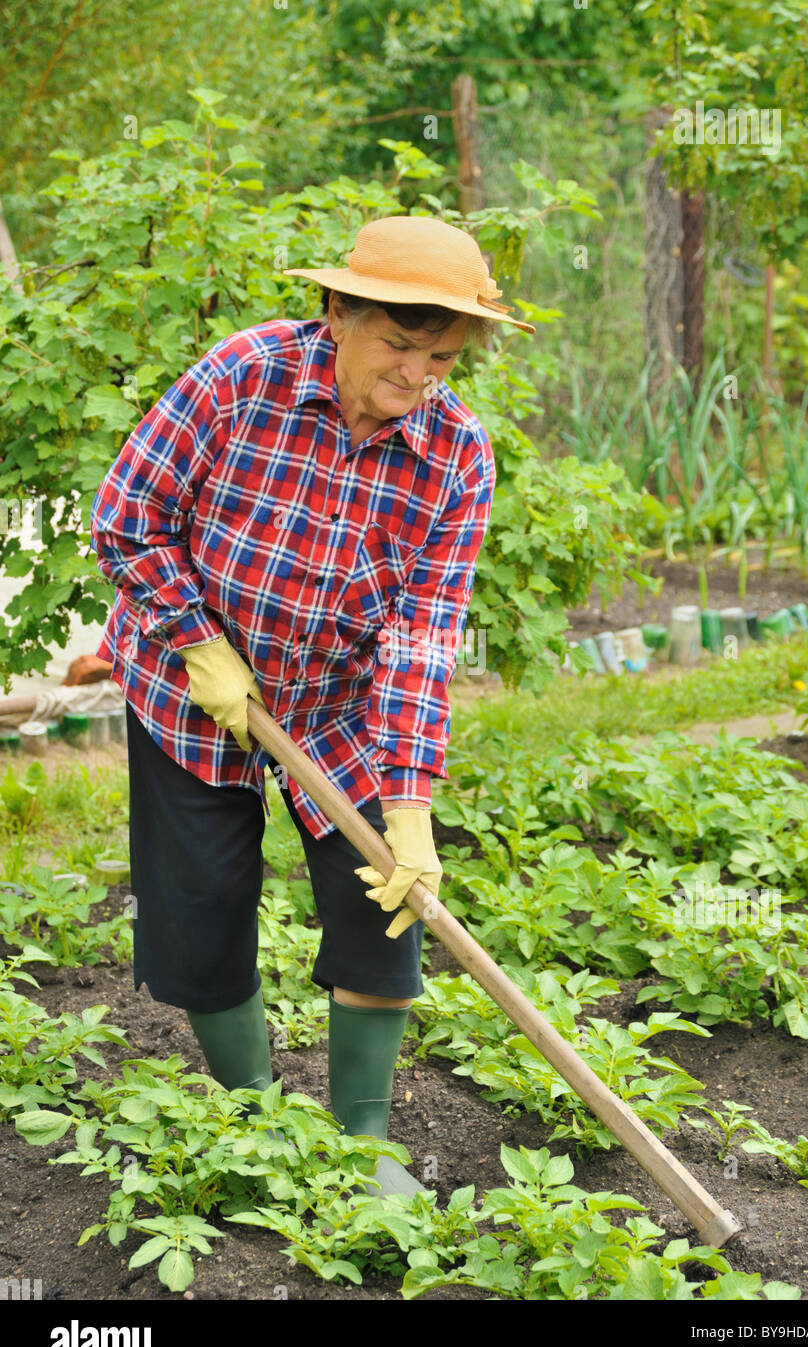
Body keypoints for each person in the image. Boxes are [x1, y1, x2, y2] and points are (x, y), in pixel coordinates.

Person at [90, 214, 535, 1196]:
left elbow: (420, 640)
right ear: (337, 311)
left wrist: (408, 808)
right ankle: (257, 1115)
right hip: (187, 684)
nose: (420, 374)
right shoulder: (240, 378)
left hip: (337, 705)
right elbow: (126, 515)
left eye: (444, 356)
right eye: (400, 344)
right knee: (200, 906)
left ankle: (363, 1143)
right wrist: (199, 641)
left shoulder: (457, 455)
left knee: (383, 899)